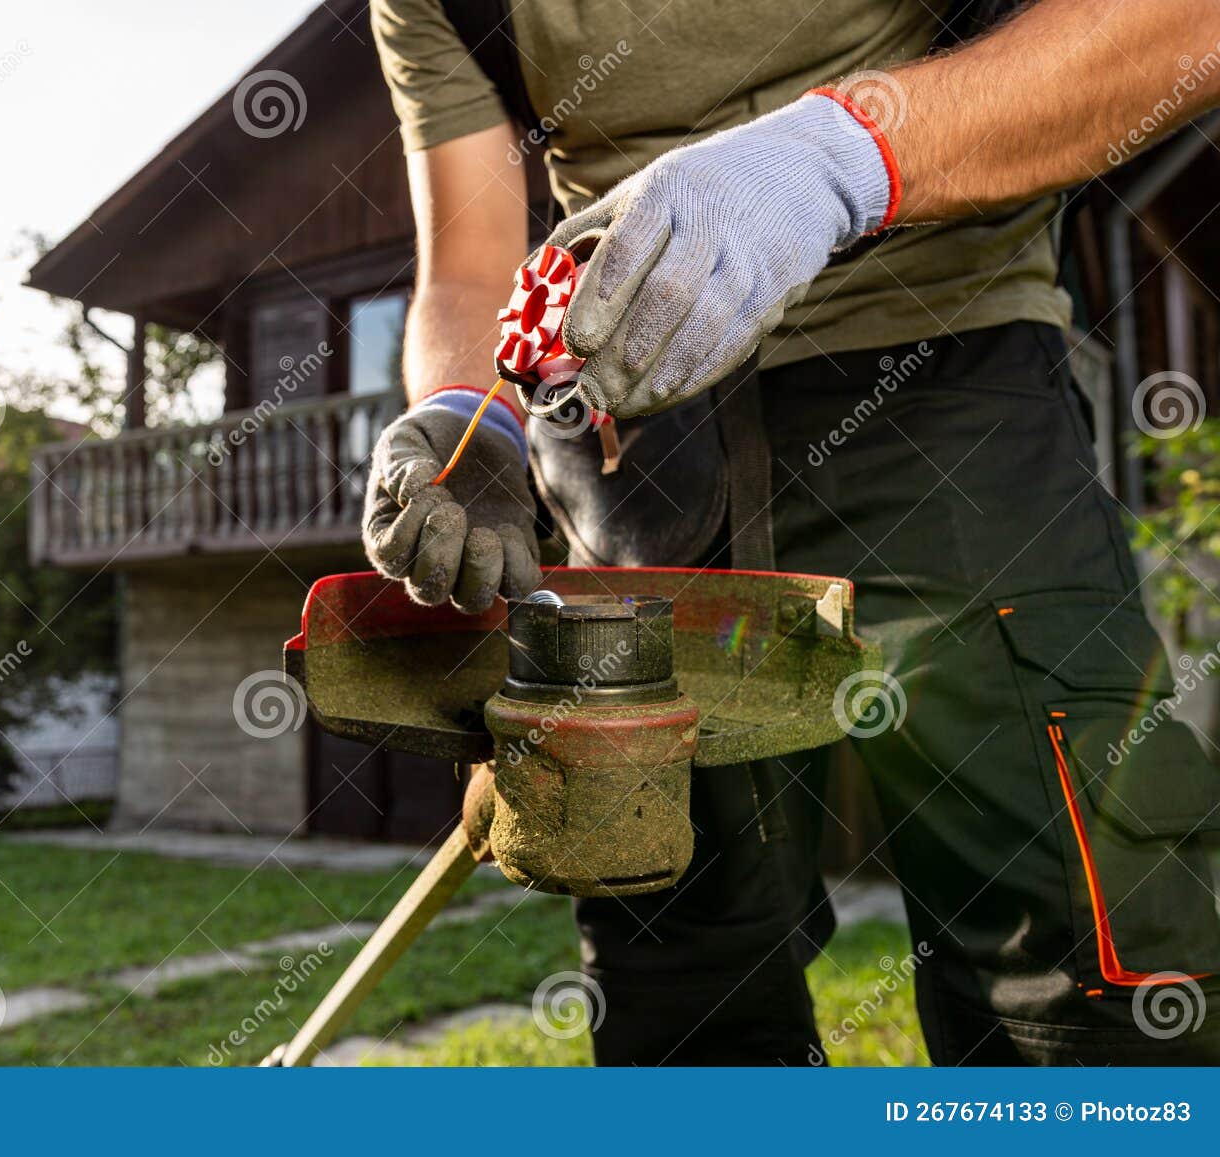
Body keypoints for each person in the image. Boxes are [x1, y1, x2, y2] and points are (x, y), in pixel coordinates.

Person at [362, 0, 1220, 1065]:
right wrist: (465, 415)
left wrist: (836, 158)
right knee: (672, 968)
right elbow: (466, 262)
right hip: (630, 456)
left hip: (940, 383)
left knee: (1072, 958)